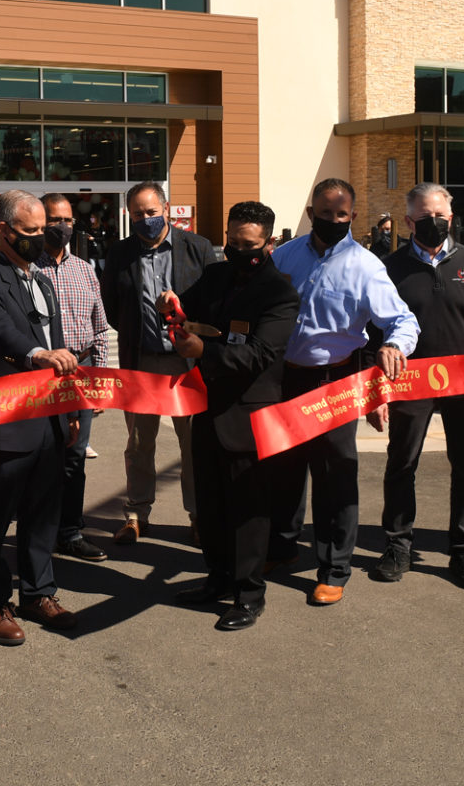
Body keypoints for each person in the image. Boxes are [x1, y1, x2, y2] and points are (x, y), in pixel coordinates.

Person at [266, 178, 419, 605]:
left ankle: (334, 568)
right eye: (324, 213)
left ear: (352, 216)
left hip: (334, 381)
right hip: (286, 379)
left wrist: (393, 345)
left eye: (341, 214)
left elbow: (403, 321)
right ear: (310, 213)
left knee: (334, 477)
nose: (333, 220)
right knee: (284, 470)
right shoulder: (285, 256)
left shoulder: (365, 266)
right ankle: (281, 546)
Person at [165, 201, 299, 630]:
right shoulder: (216, 274)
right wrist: (173, 307)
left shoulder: (280, 293)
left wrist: (204, 350)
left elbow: (259, 355)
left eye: (249, 245)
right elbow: (188, 309)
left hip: (251, 416)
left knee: (248, 510)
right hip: (208, 407)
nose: (239, 251)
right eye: (233, 242)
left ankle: (249, 594)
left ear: (269, 243)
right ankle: (218, 578)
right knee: (211, 504)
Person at [0, 190, 81, 645]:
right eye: (30, 231)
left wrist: (70, 409)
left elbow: (59, 344)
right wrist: (36, 354)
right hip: (5, 422)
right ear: (4, 231)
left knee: (43, 513)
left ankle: (39, 593)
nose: (40, 237)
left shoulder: (43, 281)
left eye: (42, 229)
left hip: (49, 417)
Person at [373, 184, 464, 590]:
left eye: (442, 216)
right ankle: (398, 546)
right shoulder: (389, 268)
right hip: (409, 380)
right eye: (426, 217)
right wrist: (378, 391)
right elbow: (373, 330)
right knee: (401, 464)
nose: (436, 223)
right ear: (409, 221)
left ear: (451, 217)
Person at [100, 180, 213, 544]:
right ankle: (136, 514)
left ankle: (199, 515)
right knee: (138, 444)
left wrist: (183, 309)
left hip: (187, 366)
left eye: (151, 212)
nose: (145, 219)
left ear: (166, 209)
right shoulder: (119, 254)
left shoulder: (197, 248)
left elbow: (215, 304)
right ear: (128, 215)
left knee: (193, 445)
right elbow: (113, 308)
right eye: (137, 214)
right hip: (142, 363)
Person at [35, 192, 111, 563]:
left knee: (74, 457)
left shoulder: (84, 269)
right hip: (40, 377)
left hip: (80, 374)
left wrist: (98, 381)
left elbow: (100, 329)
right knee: (39, 458)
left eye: (67, 220)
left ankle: (70, 532)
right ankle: (38, 534)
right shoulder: (27, 270)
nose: (62, 227)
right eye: (54, 220)